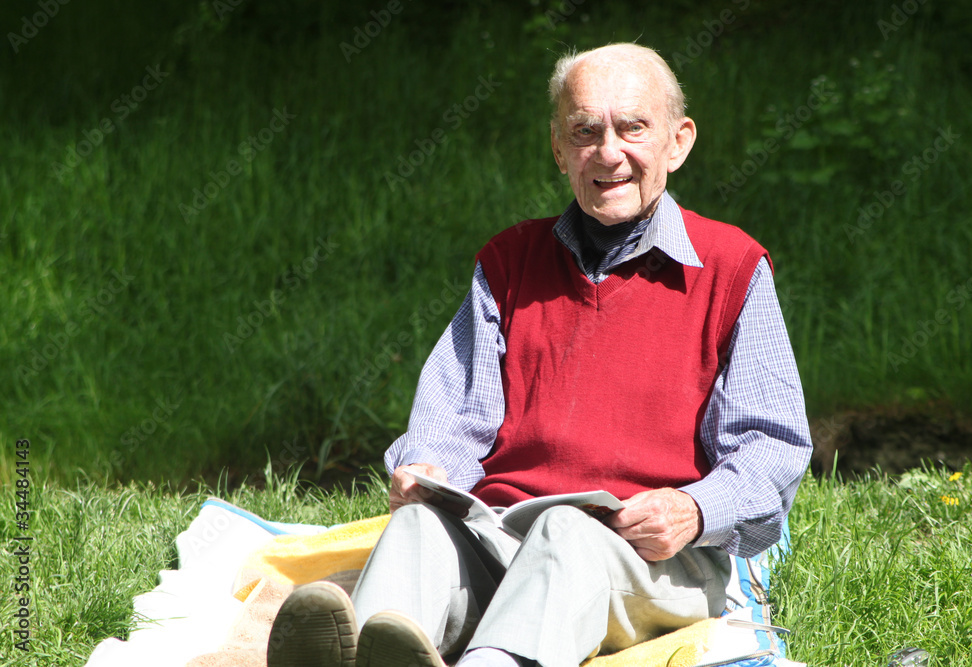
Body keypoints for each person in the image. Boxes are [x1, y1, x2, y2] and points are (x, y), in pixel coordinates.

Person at [267, 42, 812, 667]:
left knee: (567, 534)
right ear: (558, 148)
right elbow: (453, 419)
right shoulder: (507, 264)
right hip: (503, 535)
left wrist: (693, 509)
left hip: (653, 563)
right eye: (585, 132)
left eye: (633, 128)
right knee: (418, 529)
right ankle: (356, 656)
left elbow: (773, 448)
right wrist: (426, 473)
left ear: (678, 142)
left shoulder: (732, 269)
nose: (608, 153)